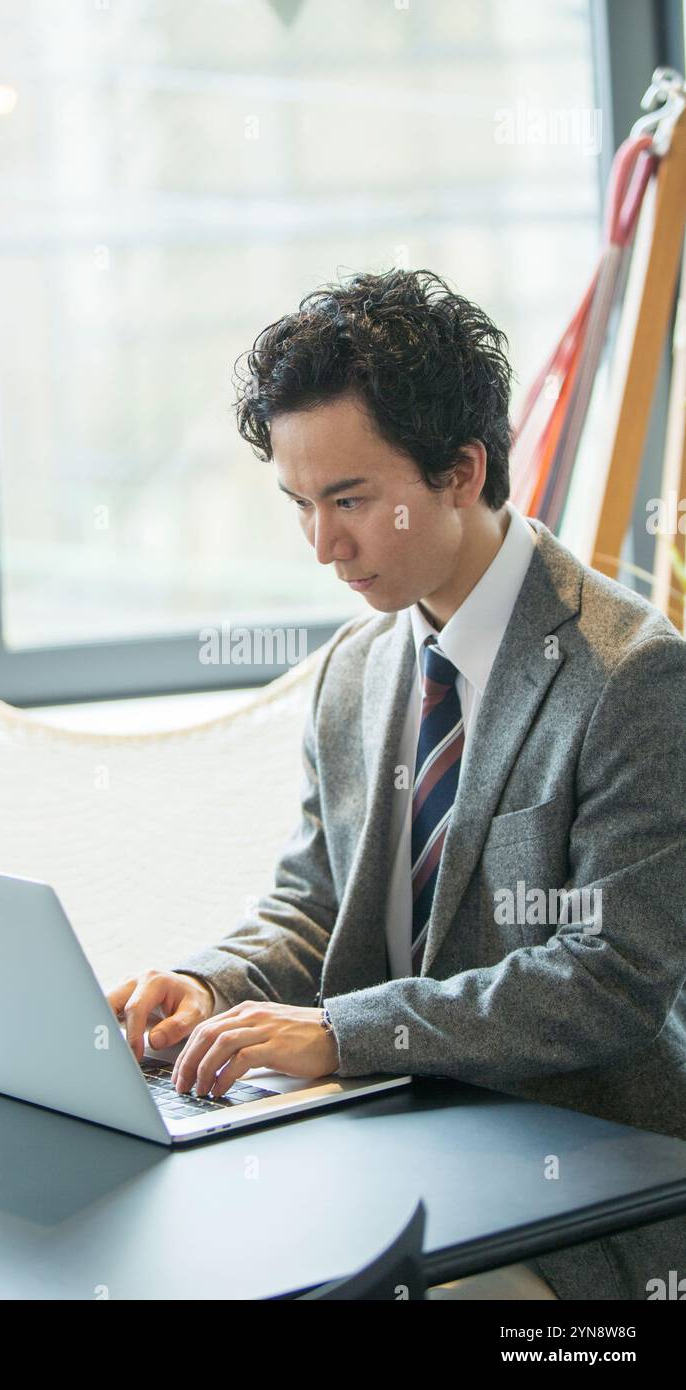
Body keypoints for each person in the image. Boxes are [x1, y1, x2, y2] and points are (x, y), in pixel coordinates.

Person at [106, 268, 686, 1300]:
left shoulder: (630, 674)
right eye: (299, 504)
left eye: (350, 500)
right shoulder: (352, 671)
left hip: (580, 1190)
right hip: (383, 1145)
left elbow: (608, 980)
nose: (324, 546)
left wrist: (340, 1032)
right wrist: (207, 987)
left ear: (459, 472)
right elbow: (310, 906)